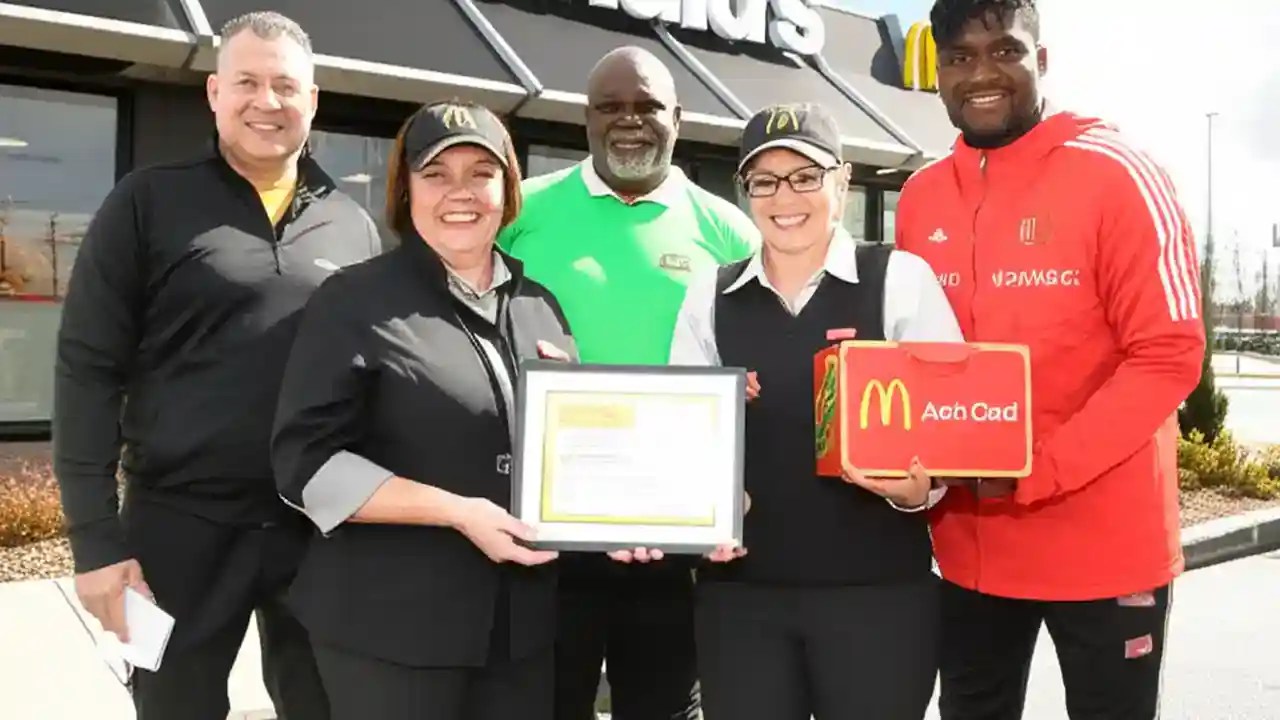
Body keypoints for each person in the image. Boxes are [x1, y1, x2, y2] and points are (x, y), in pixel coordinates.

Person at [52, 11, 381, 719]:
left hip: (315, 530)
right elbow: (85, 372)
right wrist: (95, 545)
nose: (268, 102)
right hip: (179, 530)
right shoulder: (147, 202)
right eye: (248, 83)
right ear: (213, 93)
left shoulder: (354, 225)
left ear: (313, 100)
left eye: (286, 86)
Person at [895, 2, 1206, 718]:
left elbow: (1169, 355)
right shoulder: (920, 195)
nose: (981, 74)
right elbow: (912, 357)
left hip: (1106, 553)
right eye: (960, 57)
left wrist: (1038, 469)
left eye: (1004, 51)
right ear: (938, 72)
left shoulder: (1119, 172)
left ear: (1041, 60)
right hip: (969, 554)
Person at [269, 99, 576, 720]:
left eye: (480, 174)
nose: (459, 192)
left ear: (508, 192)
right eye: (436, 173)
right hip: (391, 635)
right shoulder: (354, 300)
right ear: (405, 191)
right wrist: (457, 513)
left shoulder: (541, 305)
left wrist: (624, 523)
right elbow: (305, 465)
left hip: (521, 634)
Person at [661, 102, 960, 719]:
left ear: (843, 180)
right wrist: (709, 485)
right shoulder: (708, 296)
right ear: (745, 192)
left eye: (805, 175)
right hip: (742, 603)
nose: (784, 197)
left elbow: (947, 430)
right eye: (763, 181)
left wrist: (914, 489)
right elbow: (680, 442)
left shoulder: (900, 280)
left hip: (877, 599)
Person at [496, 46, 759, 719]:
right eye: (611, 107)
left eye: (647, 107)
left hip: (673, 533)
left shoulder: (729, 230)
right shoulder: (525, 213)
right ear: (585, 118)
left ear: (679, 115)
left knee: (665, 705)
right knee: (549, 702)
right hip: (548, 529)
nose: (629, 121)